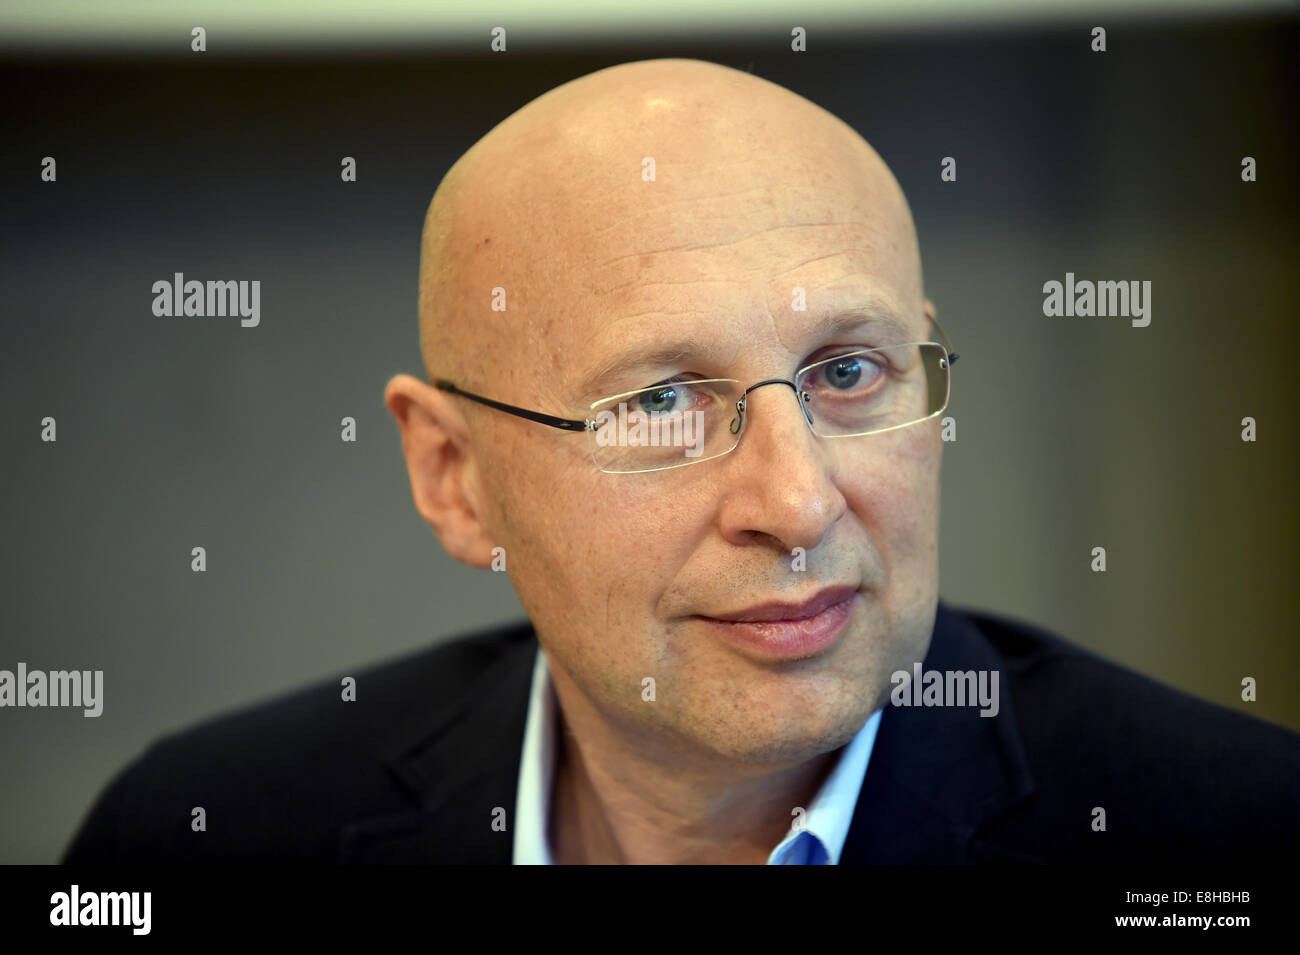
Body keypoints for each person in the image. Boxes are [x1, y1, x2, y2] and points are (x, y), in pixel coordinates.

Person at [63, 58, 1299, 865]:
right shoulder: (201, 833)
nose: (798, 499)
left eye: (848, 373)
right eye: (661, 402)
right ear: (455, 477)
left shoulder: (1225, 840)